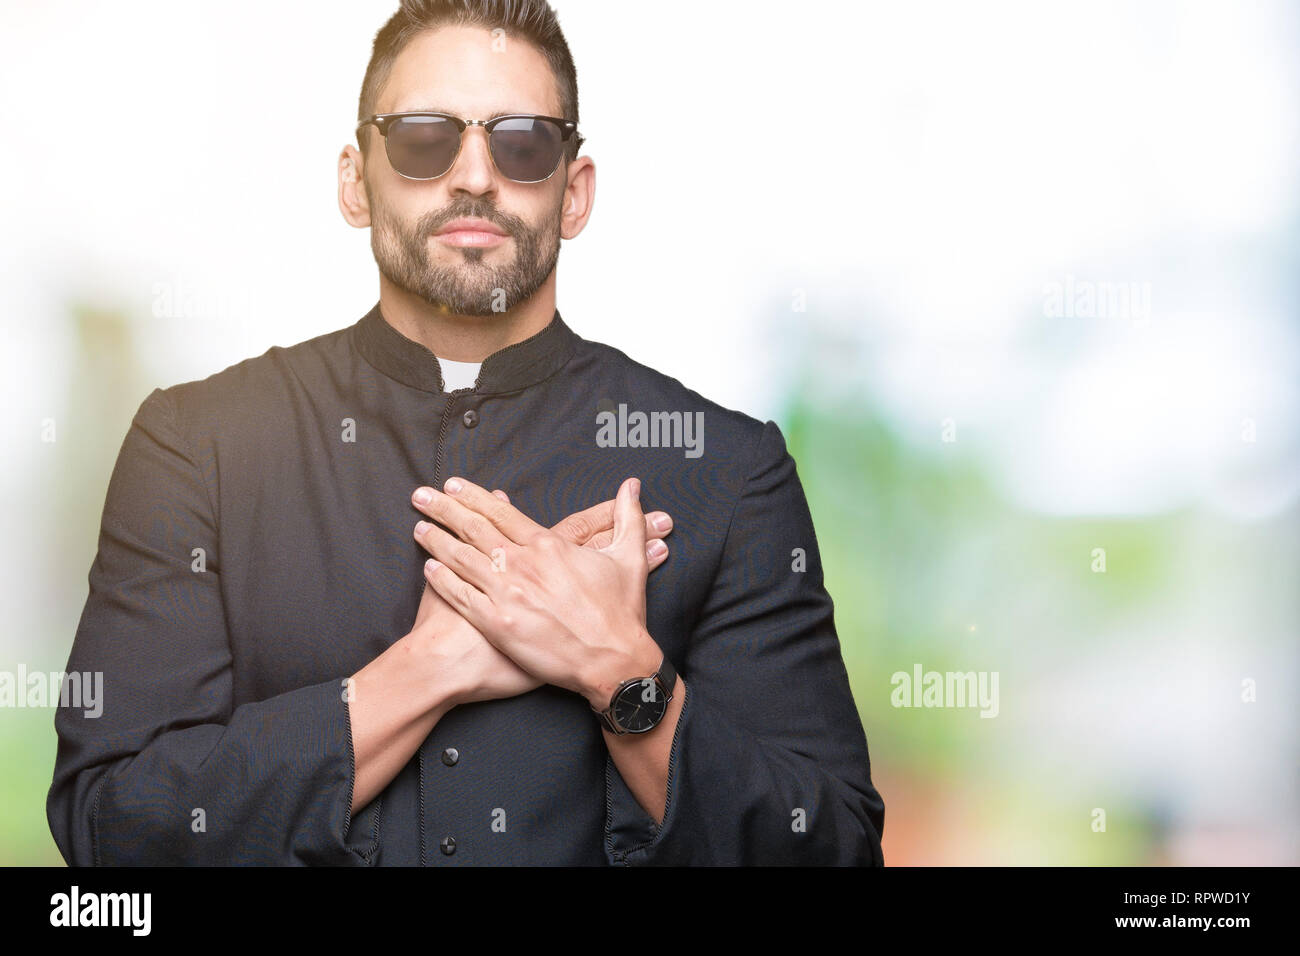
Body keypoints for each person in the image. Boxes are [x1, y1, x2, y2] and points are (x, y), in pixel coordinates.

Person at [47, 0, 885, 866]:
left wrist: (623, 674)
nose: (476, 176)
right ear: (354, 180)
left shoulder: (729, 471)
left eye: (521, 141)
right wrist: (427, 669)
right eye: (423, 136)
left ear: (575, 191)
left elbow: (833, 847)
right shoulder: (197, 446)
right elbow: (112, 829)